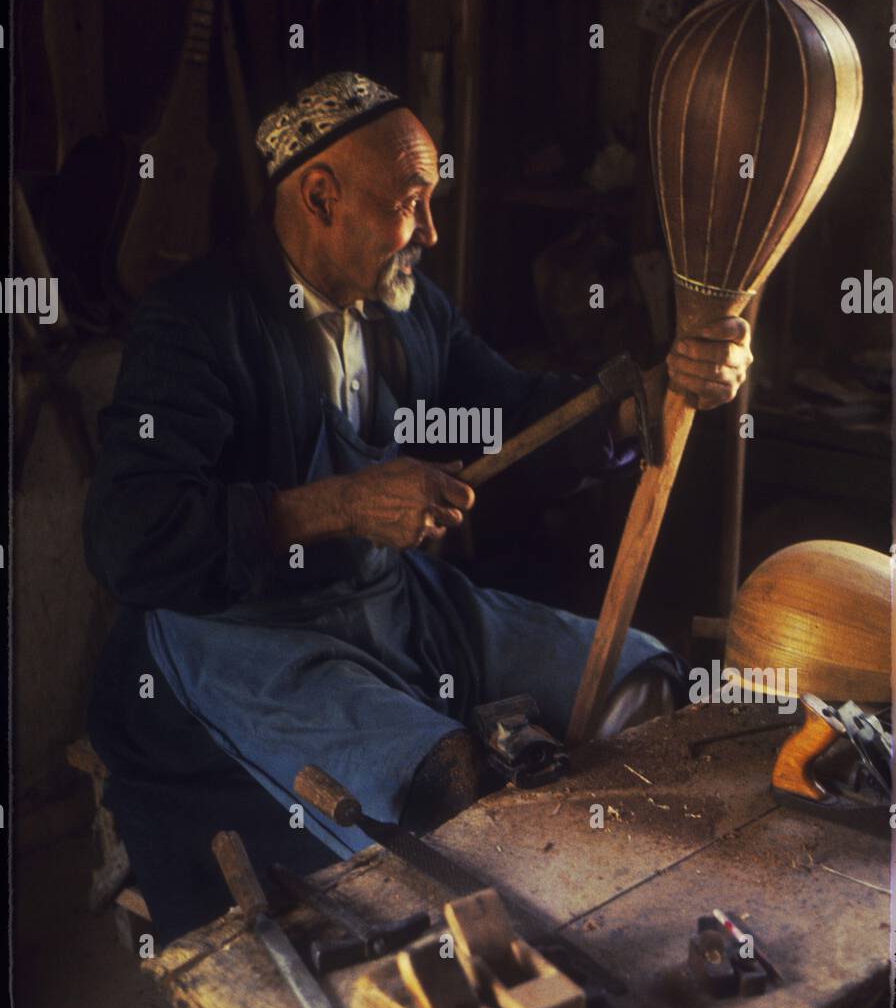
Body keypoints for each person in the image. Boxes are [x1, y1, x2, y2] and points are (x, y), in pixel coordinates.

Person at [84, 72, 752, 944]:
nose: (430, 233)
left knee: (646, 685)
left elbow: (512, 413)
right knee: (447, 779)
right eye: (410, 202)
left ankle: (633, 919)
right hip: (243, 632)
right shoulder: (198, 321)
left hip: (392, 604)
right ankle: (512, 972)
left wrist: (650, 402)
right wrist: (338, 505)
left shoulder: (407, 311)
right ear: (319, 195)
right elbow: (129, 535)